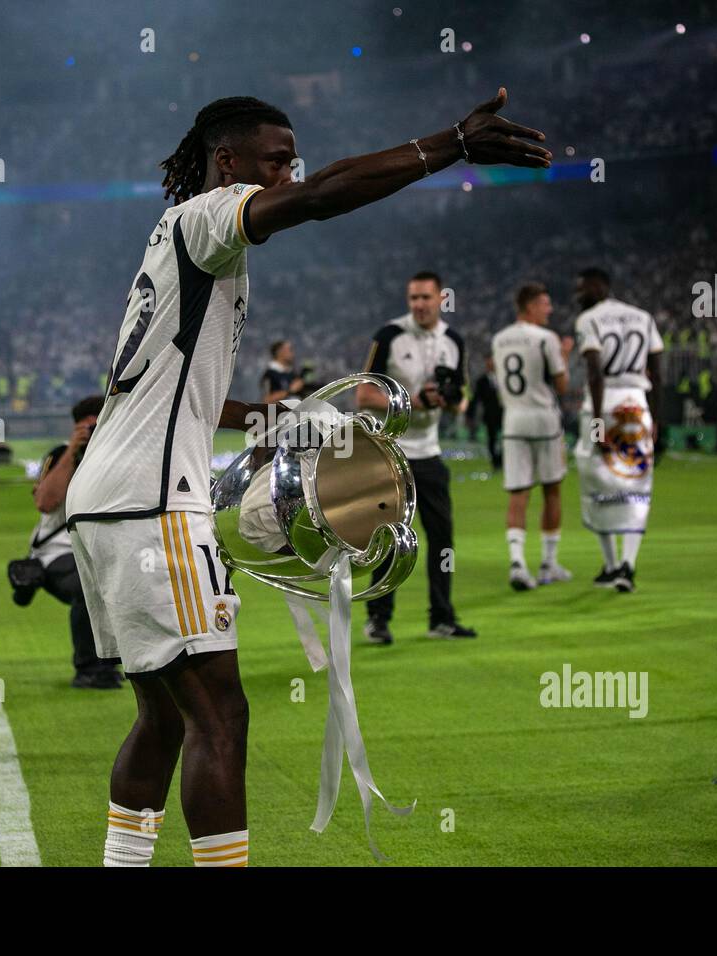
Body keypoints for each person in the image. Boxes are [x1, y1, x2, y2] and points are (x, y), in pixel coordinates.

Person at [65, 90, 549, 867]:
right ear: (227, 164)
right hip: (152, 503)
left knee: (162, 714)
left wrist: (265, 411)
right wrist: (451, 142)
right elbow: (325, 197)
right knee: (219, 717)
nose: (290, 171)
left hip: (107, 498)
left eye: (292, 160)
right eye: (275, 159)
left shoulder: (174, 247)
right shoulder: (207, 218)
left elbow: (164, 386)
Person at [358, 271, 479, 643]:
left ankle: (441, 617)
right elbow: (364, 394)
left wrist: (450, 400)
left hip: (430, 453)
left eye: (426, 298)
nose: (419, 305)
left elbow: (461, 398)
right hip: (392, 454)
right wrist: (412, 401)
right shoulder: (389, 335)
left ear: (441, 299)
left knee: (442, 540)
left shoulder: (454, 341)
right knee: (390, 538)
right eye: (413, 298)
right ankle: (378, 619)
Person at [572, 267, 664, 593]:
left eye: (582, 289)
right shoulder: (643, 317)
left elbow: (596, 374)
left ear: (599, 287)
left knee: (597, 480)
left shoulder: (589, 320)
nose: (578, 295)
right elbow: (657, 372)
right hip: (638, 407)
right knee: (636, 483)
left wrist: (597, 425)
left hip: (604, 404)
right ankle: (628, 565)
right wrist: (659, 420)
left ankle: (612, 565)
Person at [27, 396, 124, 689]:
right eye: (86, 428)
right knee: (88, 583)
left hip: (100, 551)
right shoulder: (59, 457)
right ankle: (87, 668)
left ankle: (110, 663)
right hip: (55, 554)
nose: (92, 432)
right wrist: (72, 450)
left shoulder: (114, 456)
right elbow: (45, 502)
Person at [492, 283, 570, 590]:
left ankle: (517, 563)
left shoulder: (499, 339)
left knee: (518, 493)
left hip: (513, 420)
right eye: (545, 304)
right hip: (543, 419)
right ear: (530, 306)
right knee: (552, 490)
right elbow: (562, 386)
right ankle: (549, 564)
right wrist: (563, 355)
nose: (549, 310)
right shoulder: (546, 339)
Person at [467, 354, 503, 469]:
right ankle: (495, 461)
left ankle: (502, 459)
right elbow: (476, 399)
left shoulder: (504, 378)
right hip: (490, 415)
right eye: (488, 362)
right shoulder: (482, 381)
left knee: (506, 438)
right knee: (491, 438)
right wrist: (470, 414)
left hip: (504, 414)